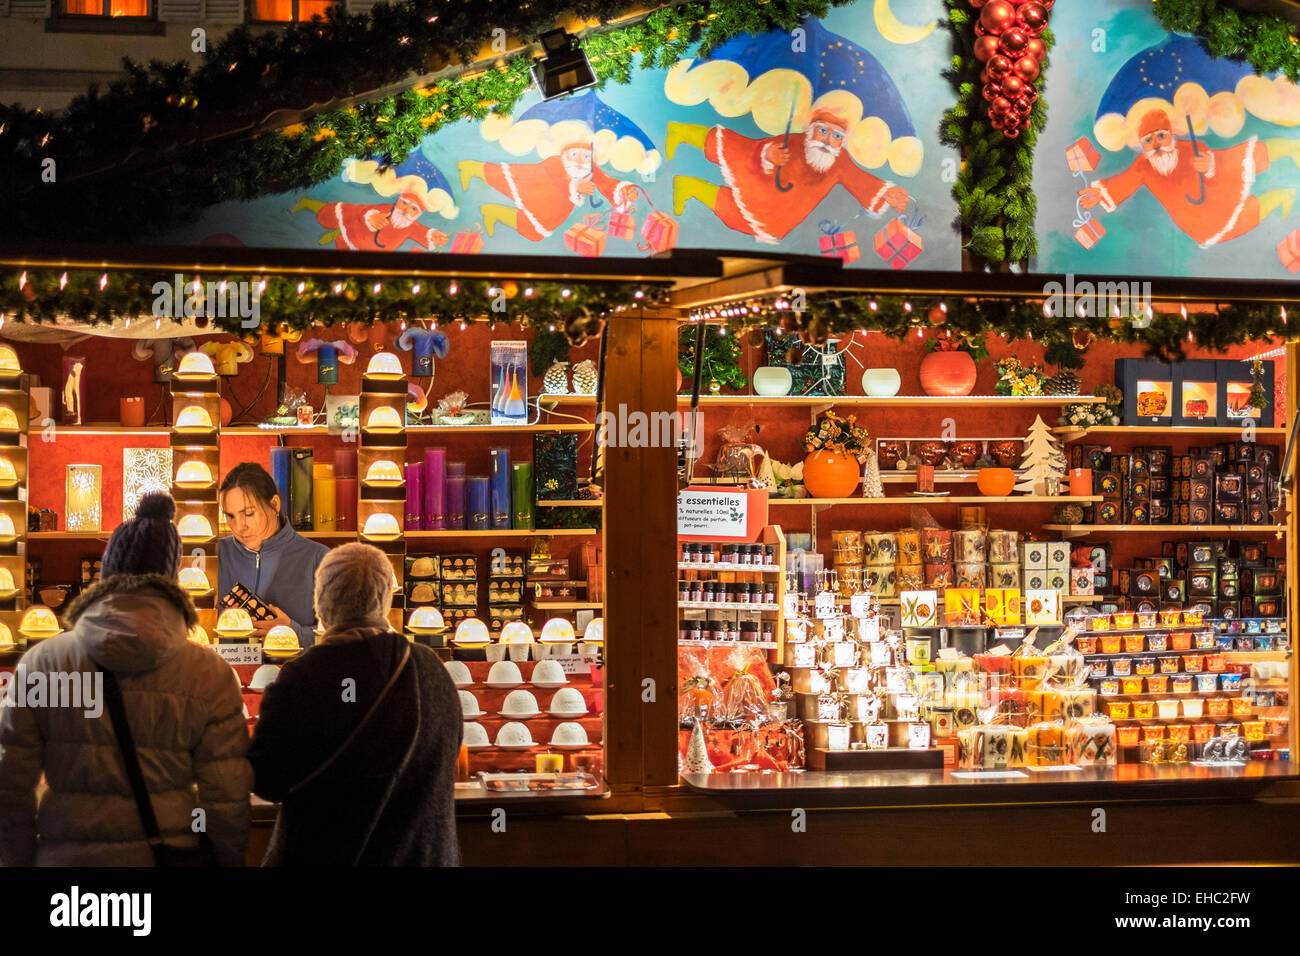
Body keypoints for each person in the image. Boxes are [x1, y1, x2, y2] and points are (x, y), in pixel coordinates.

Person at [0, 493, 251, 866]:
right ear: (171, 576)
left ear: (106, 572)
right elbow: (227, 799)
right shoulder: (210, 675)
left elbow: (10, 789)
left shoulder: (43, 664)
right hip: (164, 855)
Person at [248, 543, 461, 866]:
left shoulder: (303, 677)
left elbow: (267, 781)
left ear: (321, 602)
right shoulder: (430, 669)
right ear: (385, 601)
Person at [218, 462, 329, 647]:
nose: (239, 527)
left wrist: (294, 632)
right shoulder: (213, 557)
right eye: (230, 516)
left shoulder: (320, 559)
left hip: (296, 674)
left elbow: (344, 638)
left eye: (249, 513)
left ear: (275, 504)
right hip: (225, 674)